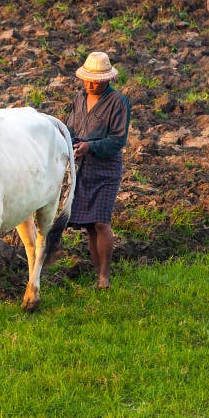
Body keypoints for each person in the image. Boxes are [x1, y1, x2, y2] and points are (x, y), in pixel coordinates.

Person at [65, 51, 131, 289]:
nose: (91, 84)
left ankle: (105, 277)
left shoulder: (118, 103)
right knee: (90, 225)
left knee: (101, 222)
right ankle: (97, 275)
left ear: (107, 80)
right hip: (82, 166)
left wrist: (90, 146)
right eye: (88, 79)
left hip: (105, 168)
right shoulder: (79, 98)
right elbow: (69, 127)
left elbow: (117, 140)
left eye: (97, 80)